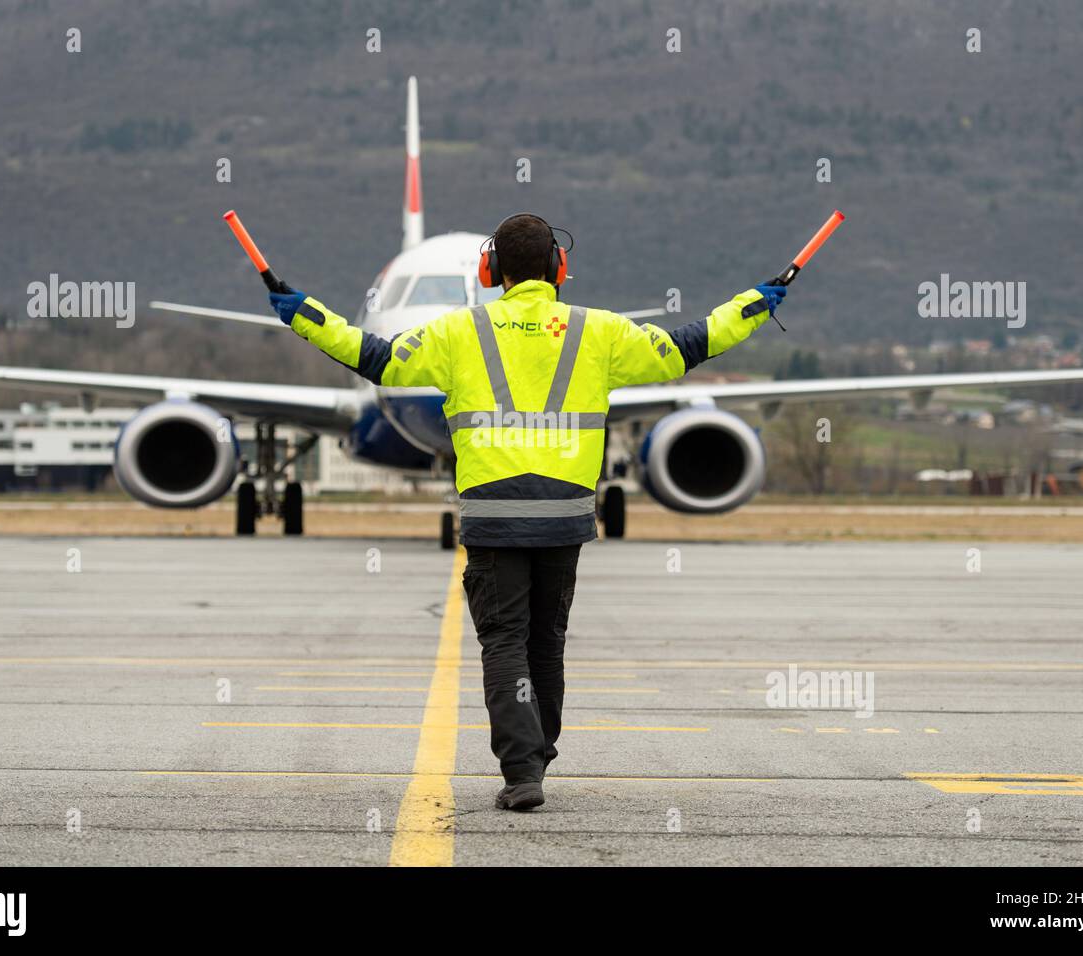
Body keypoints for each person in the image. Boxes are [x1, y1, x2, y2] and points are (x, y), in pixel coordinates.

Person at [268, 213, 784, 810]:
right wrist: (753, 304)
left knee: (505, 642)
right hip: (564, 516)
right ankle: (538, 753)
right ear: (558, 270)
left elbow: (378, 360)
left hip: (494, 517)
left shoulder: (459, 332)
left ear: (491, 272)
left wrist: (305, 314)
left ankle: (522, 772)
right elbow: (684, 349)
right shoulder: (599, 332)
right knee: (548, 642)